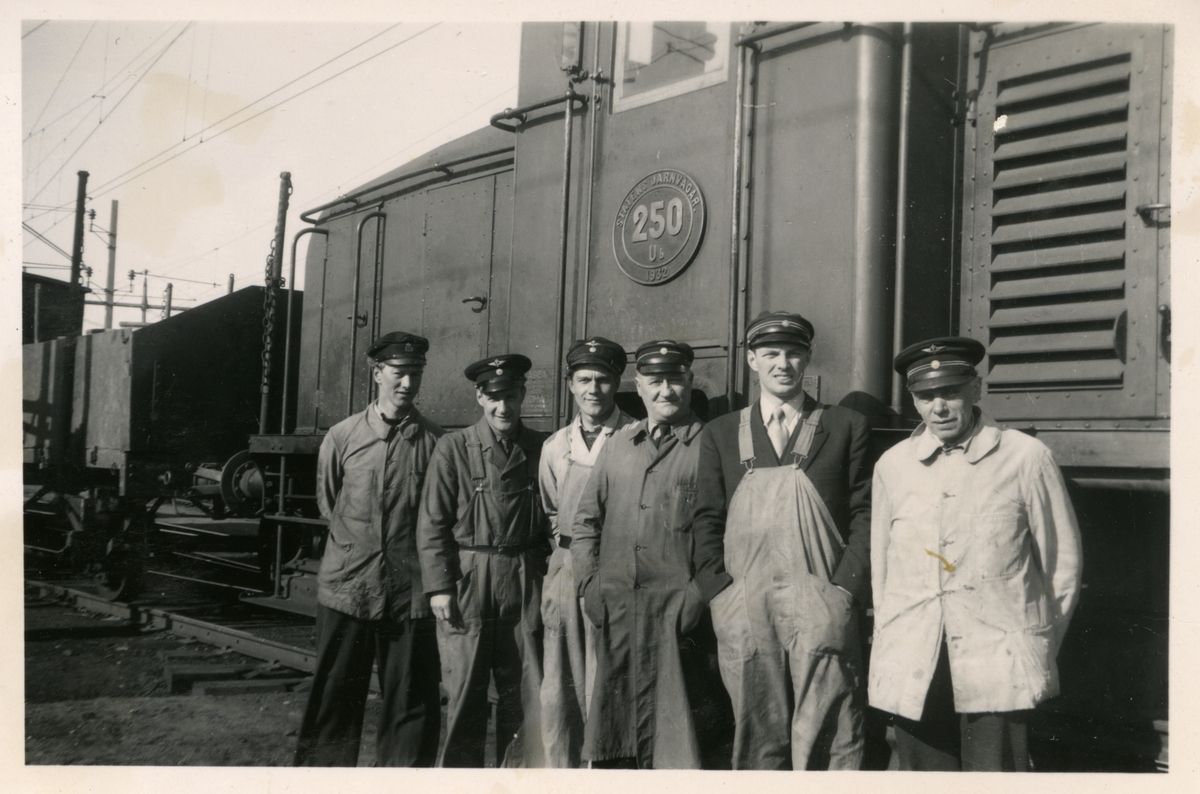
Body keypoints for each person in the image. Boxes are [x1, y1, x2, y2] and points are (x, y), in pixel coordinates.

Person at [869, 336, 1083, 771]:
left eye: (950, 392)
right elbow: (882, 571)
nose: (939, 408)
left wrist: (1033, 648)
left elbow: (1063, 567)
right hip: (916, 660)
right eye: (926, 396)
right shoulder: (892, 466)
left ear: (976, 389)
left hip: (997, 662)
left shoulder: (1025, 457)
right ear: (914, 400)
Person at [692, 311, 871, 770]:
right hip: (744, 601)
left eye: (793, 353)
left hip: (822, 595)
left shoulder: (846, 425)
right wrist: (720, 594)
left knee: (831, 730)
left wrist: (845, 588)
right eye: (770, 353)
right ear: (752, 360)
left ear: (807, 357)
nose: (783, 364)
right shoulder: (720, 432)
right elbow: (706, 517)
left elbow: (866, 513)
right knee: (755, 729)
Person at [294, 331, 443, 767]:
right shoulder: (341, 438)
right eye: (399, 373)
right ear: (378, 373)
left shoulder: (434, 442)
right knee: (333, 701)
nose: (407, 384)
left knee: (411, 707)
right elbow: (329, 503)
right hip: (347, 589)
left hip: (409, 595)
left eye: (415, 375)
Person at [572, 340, 717, 769]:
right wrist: (589, 585)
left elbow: (723, 531)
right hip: (617, 607)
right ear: (639, 385)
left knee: (679, 740)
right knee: (616, 739)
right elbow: (584, 523)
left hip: (680, 613)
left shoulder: (710, 444)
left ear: (690, 381)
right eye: (655, 382)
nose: (665, 391)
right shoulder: (618, 444)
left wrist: (697, 595)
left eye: (675, 380)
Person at [416, 354, 550, 767]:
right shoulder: (453, 448)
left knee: (527, 691)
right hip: (469, 579)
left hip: (524, 577)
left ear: (523, 394)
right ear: (479, 397)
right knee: (464, 694)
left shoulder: (541, 447)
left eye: (510, 396)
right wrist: (438, 587)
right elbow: (432, 521)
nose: (502, 407)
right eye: (493, 398)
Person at [539, 337, 637, 768]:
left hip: (615, 569)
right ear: (571, 385)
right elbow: (549, 509)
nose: (593, 389)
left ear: (616, 384)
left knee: (608, 674)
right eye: (584, 380)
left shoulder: (636, 435)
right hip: (564, 569)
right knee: (559, 685)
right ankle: (562, 772)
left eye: (602, 380)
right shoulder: (555, 446)